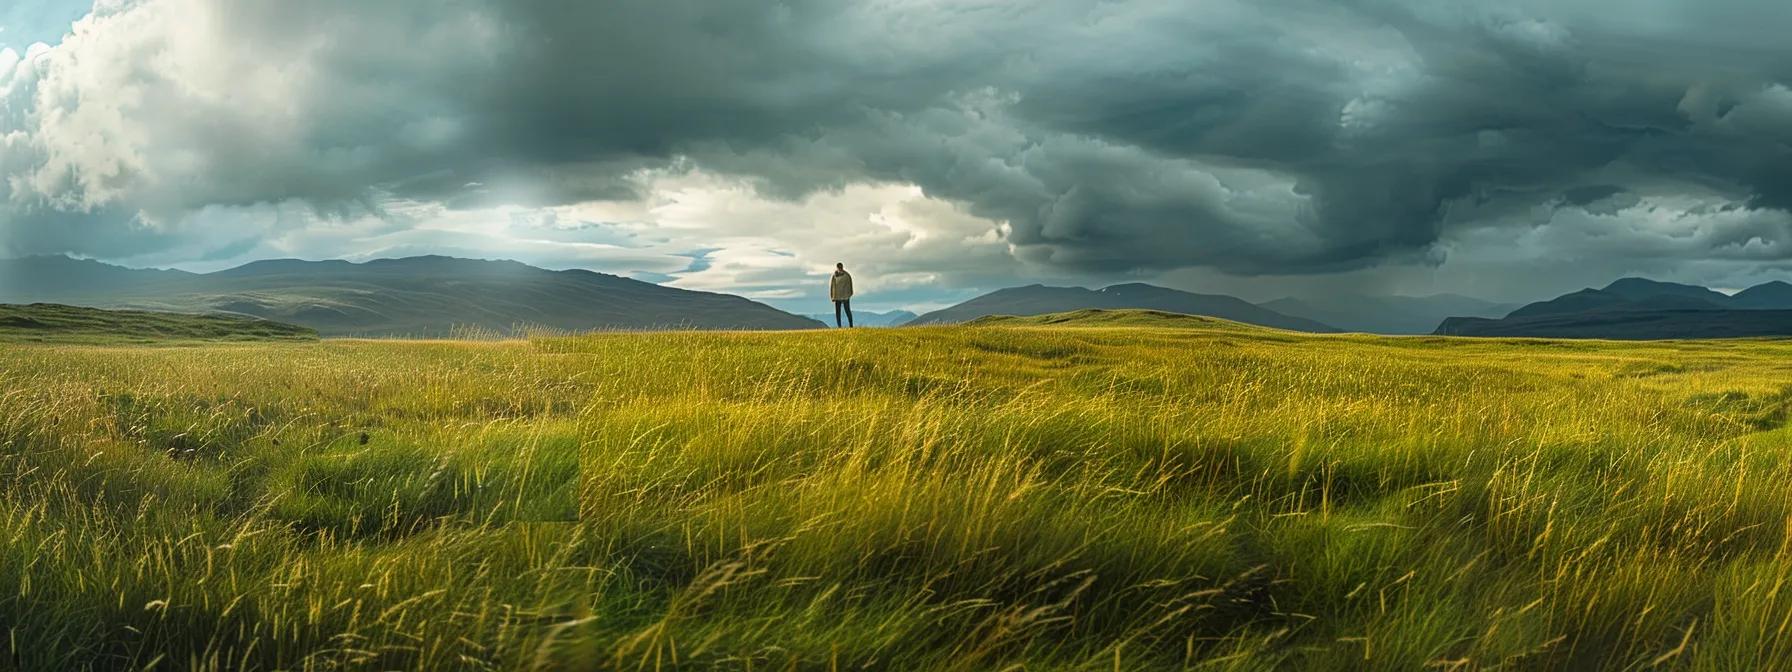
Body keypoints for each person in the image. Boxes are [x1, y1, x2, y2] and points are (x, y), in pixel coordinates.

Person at [829, 262, 855, 328]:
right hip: (837, 296)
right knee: (838, 312)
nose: (840, 269)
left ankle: (851, 326)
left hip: (845, 296)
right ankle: (839, 326)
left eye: (840, 268)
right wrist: (832, 296)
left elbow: (849, 286)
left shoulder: (846, 275)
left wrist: (848, 294)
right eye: (839, 268)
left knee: (847, 311)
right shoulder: (834, 276)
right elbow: (832, 286)